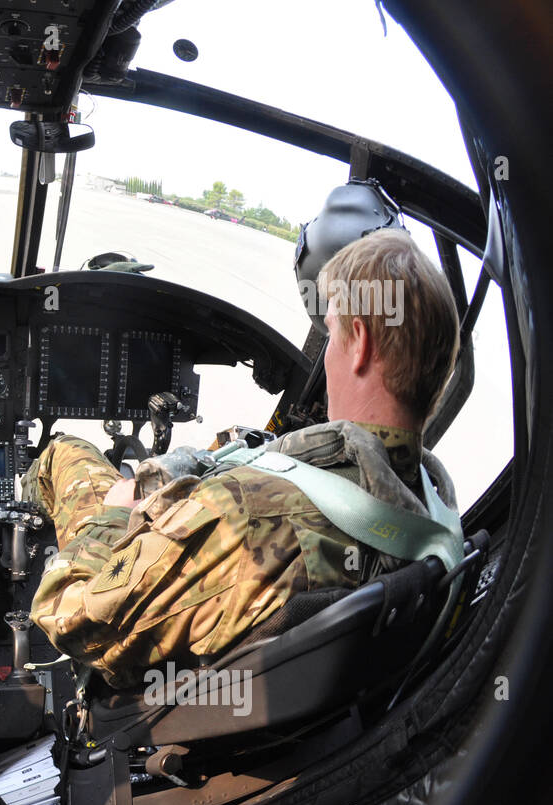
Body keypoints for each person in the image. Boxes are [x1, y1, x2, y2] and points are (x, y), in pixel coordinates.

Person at [26, 226, 461, 689]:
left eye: (331, 333)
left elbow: (67, 615)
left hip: (154, 687)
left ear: (362, 344)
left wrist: (114, 512)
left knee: (63, 453)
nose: (328, 352)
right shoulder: (435, 505)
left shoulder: (246, 511)